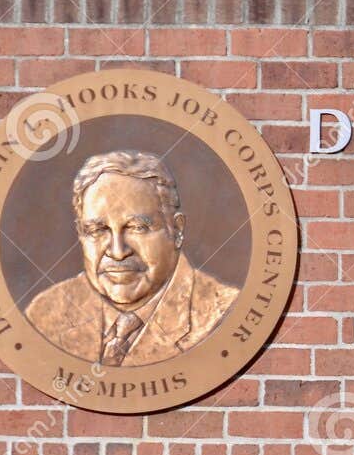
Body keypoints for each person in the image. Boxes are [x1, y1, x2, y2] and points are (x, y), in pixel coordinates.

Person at [24, 150, 238, 366]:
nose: (118, 252)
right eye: (98, 229)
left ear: (176, 230)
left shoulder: (227, 316)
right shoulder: (46, 314)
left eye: (137, 228)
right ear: (81, 233)